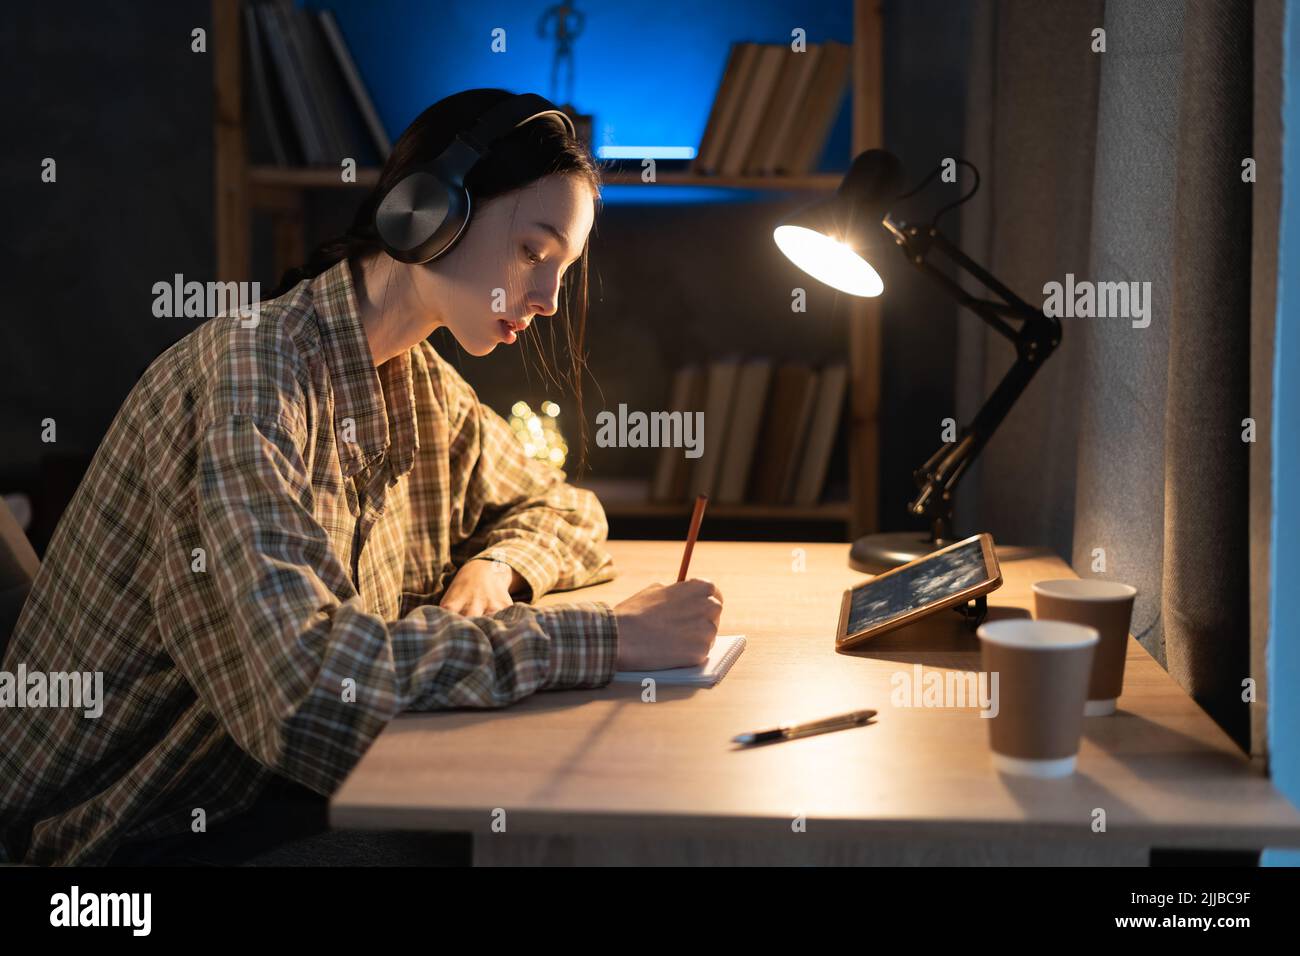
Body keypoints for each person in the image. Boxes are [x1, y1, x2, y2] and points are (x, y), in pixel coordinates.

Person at [0, 88, 722, 866]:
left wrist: (500, 565)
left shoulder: (419, 381)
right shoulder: (252, 380)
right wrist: (607, 641)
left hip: (263, 794)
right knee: (473, 837)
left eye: (563, 269)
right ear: (427, 213)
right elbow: (310, 693)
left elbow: (562, 507)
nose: (548, 300)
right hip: (123, 841)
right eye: (531, 252)